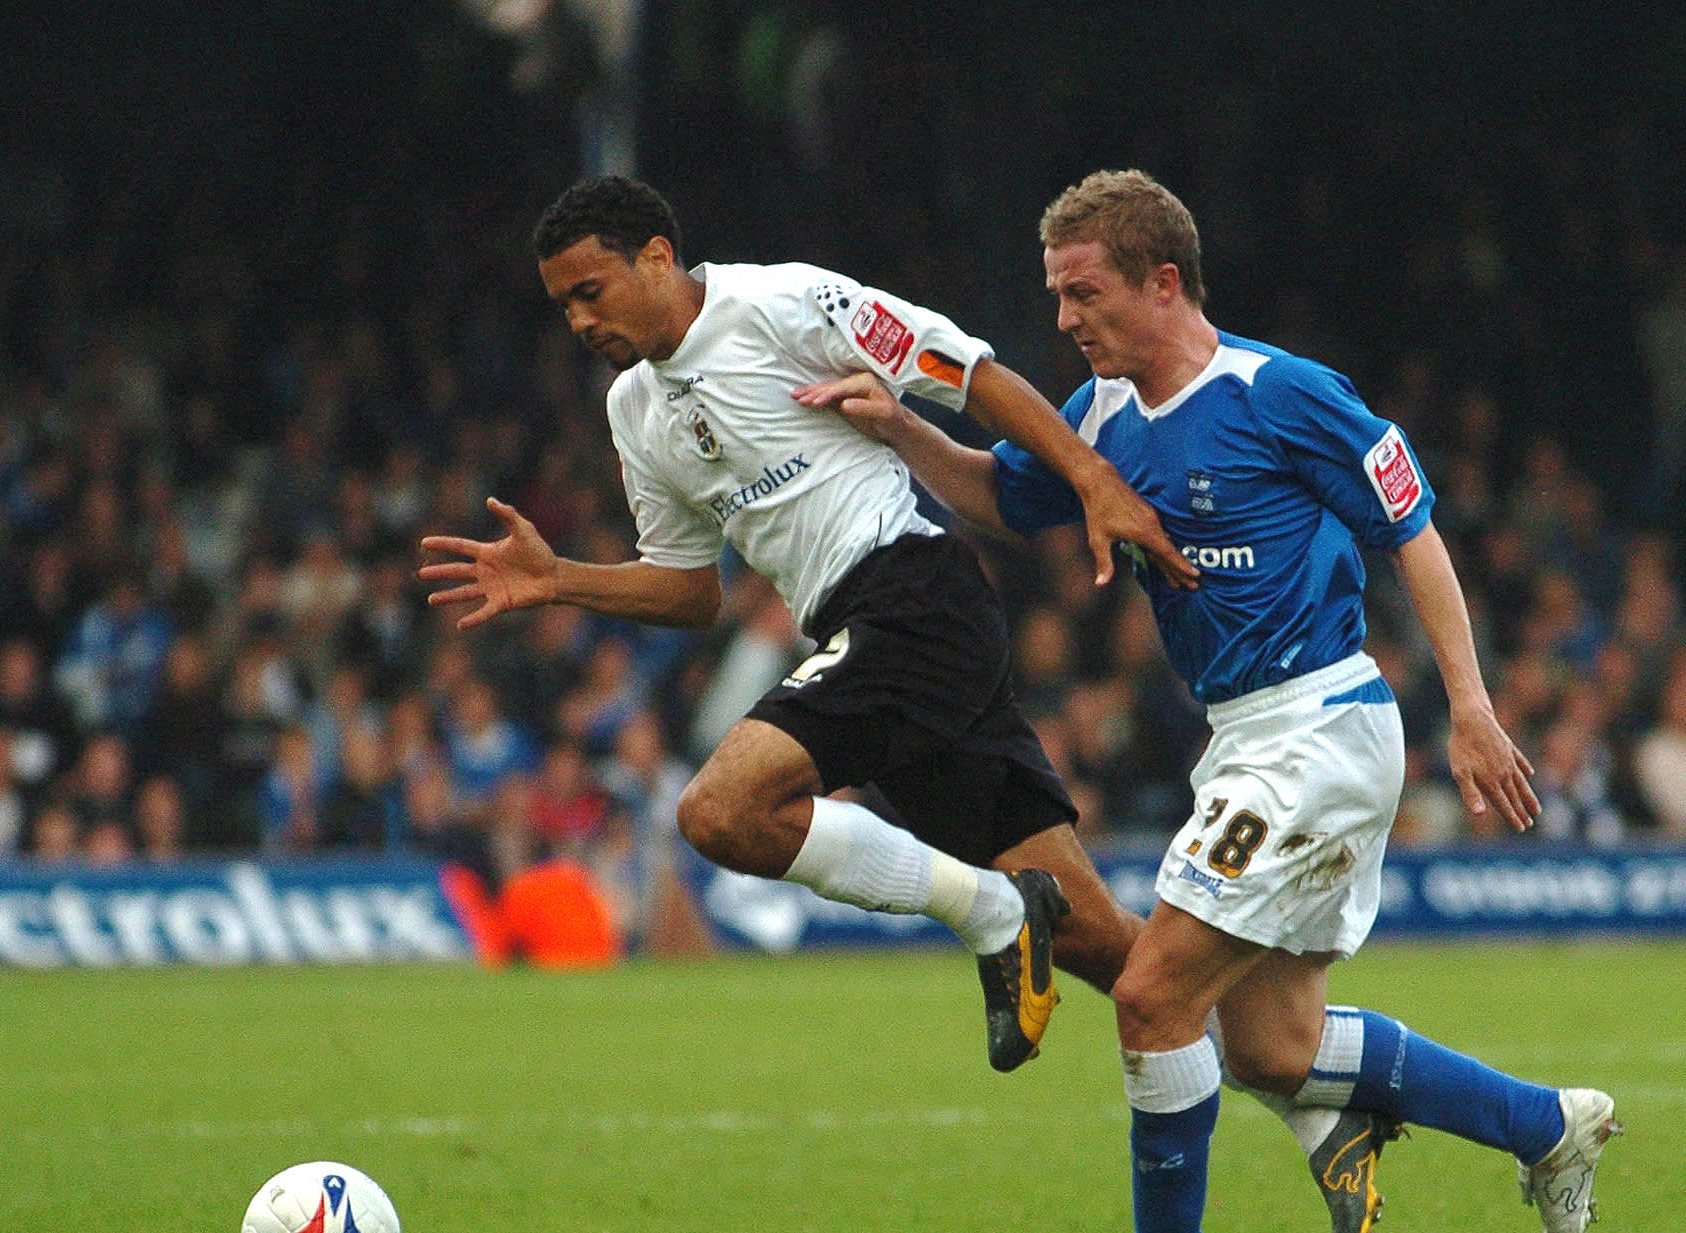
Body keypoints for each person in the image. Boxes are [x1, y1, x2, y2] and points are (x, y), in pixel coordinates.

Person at [795, 169, 1622, 1233]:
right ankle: (1546, 1126)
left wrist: (1471, 707)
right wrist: (900, 430)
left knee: (1149, 994)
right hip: (1244, 740)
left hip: (1319, 725)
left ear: (1163, 281)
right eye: (1055, 296)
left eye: (1084, 293)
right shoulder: (1097, 418)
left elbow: (1412, 528)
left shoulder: (1279, 393)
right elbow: (1003, 495)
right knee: (1272, 1051)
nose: (1063, 320)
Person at [421, 174, 1200, 1079]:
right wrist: (560, 580)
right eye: (562, 307)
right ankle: (1315, 1077)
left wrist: (1094, 482)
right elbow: (688, 592)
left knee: (720, 811)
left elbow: (972, 375)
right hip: (870, 640)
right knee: (1100, 942)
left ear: (658, 258)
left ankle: (992, 914)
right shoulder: (633, 409)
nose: (580, 320)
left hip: (913, 597)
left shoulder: (785, 303)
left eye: (590, 292)